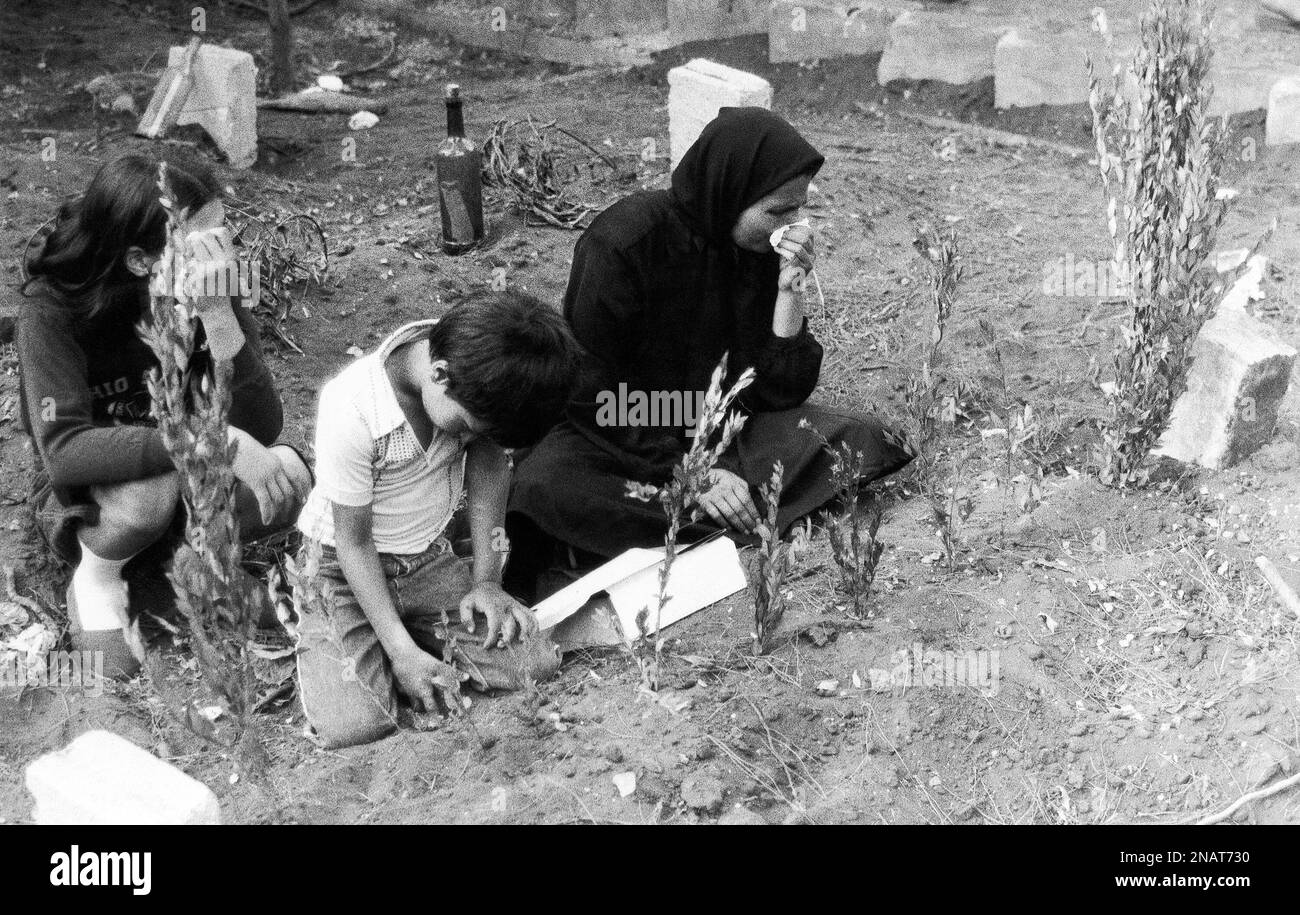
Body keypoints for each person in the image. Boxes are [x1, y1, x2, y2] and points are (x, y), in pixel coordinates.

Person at [504, 107, 914, 603]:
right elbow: (591, 394)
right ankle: (723, 514)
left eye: (798, 211)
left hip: (718, 423)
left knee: (860, 436)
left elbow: (781, 390)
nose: (792, 226)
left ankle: (655, 534)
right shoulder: (624, 242)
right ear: (729, 192)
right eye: (778, 213)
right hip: (621, 430)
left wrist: (789, 292)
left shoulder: (759, 252)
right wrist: (691, 472)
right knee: (542, 486)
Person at [18, 152, 312, 679]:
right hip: (99, 498)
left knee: (290, 481)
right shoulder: (51, 314)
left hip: (188, 480)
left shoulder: (207, 284)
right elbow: (65, 454)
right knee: (147, 501)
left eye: (220, 236)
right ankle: (101, 572)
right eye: (199, 244)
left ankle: (182, 565)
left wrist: (220, 318)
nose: (219, 256)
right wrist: (205, 440)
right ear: (138, 260)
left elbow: (261, 424)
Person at [293, 290, 580, 749]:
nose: (466, 439)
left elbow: (490, 466)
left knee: (534, 663)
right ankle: (344, 628)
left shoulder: (476, 371)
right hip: (340, 568)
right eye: (466, 428)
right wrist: (401, 653)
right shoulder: (351, 408)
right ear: (439, 375)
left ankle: (405, 630)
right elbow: (354, 543)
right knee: (360, 723)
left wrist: (487, 581)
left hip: (425, 558)